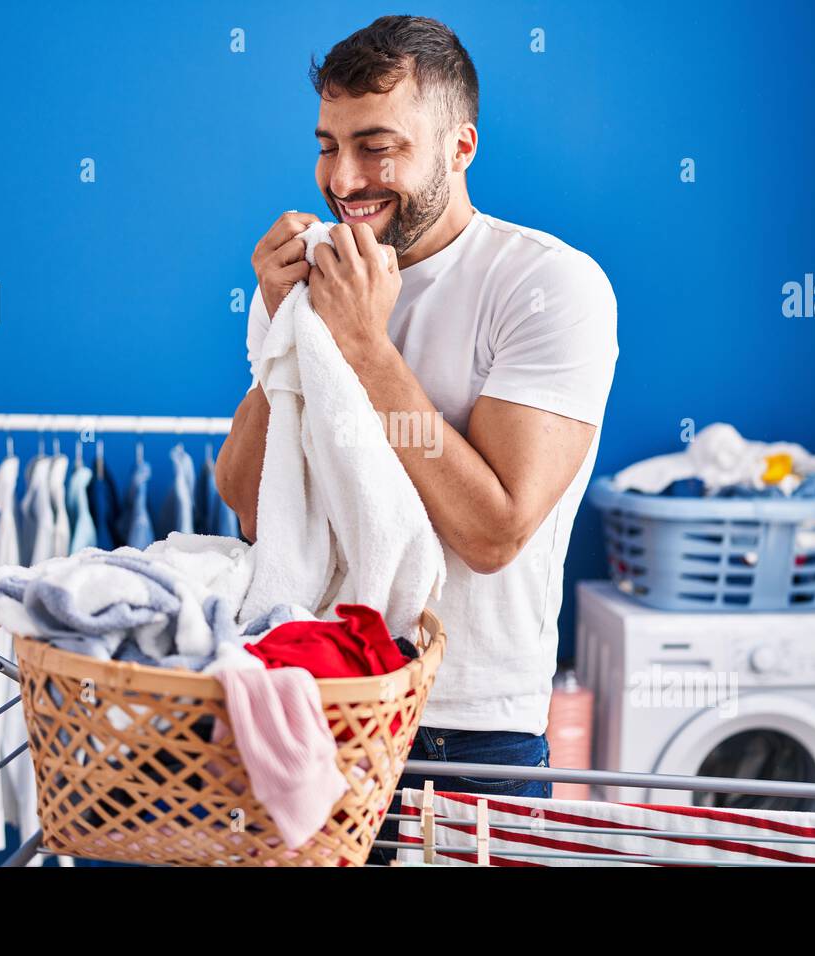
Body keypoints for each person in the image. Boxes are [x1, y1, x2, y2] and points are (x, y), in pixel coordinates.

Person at [215, 15, 619, 862]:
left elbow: (495, 529)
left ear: (460, 145)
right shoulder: (310, 279)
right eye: (328, 146)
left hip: (465, 741)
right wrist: (290, 327)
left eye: (376, 145)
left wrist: (364, 345)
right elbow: (251, 505)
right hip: (311, 704)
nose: (344, 178)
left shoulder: (548, 286)